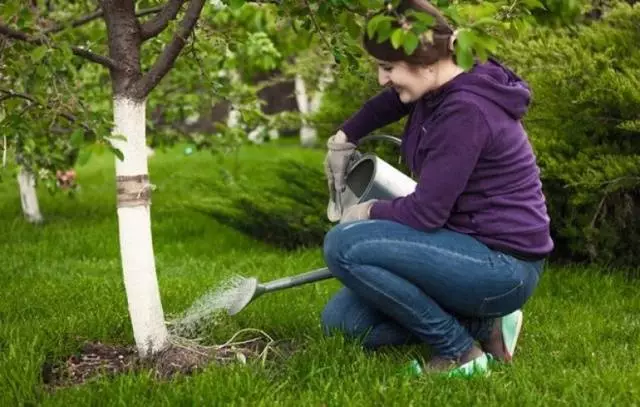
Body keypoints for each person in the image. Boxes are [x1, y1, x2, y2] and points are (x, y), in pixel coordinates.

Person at [321, 0, 553, 377]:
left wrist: (363, 213)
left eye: (388, 68)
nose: (383, 79)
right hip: (462, 245)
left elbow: (424, 213)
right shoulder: (445, 78)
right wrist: (345, 137)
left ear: (427, 64)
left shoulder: (467, 112)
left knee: (343, 245)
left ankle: (460, 353)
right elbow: (391, 101)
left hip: (501, 266)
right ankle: (486, 326)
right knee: (345, 322)